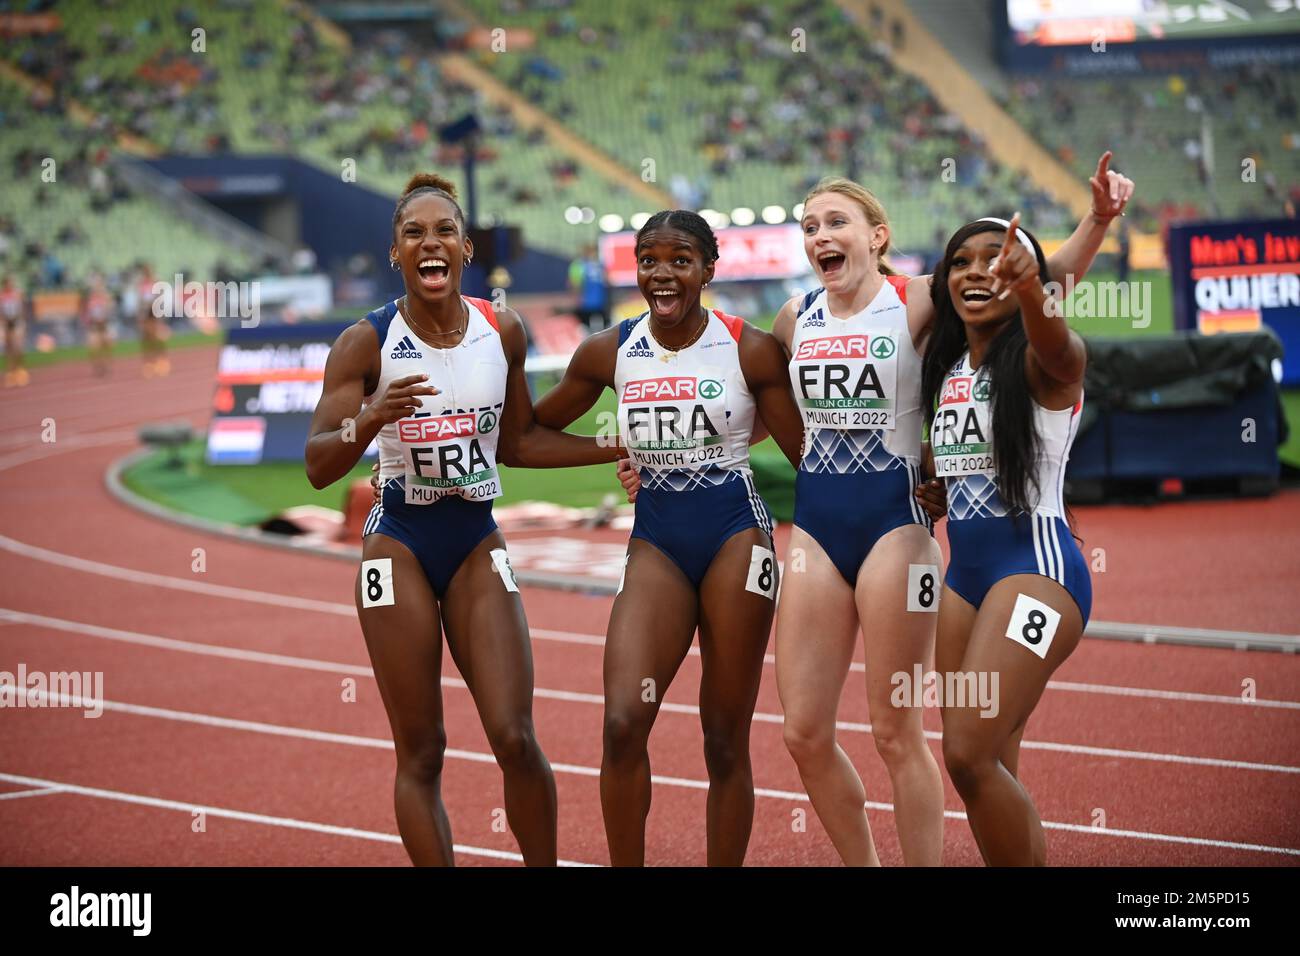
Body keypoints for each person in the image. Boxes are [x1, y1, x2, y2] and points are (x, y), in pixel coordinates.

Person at [620, 156, 1131, 865]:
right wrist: (665, 453)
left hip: (898, 531)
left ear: (877, 236)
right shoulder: (793, 318)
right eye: (809, 226)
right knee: (802, 732)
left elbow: (1031, 287)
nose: (820, 235)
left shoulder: (921, 298)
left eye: (836, 222)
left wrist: (1097, 223)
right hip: (820, 534)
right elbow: (748, 412)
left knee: (902, 734)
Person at [306, 173, 623, 866]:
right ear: (397, 252)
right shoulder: (364, 344)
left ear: (465, 247)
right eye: (414, 233)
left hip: (476, 536)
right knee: (422, 750)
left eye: (443, 231)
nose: (430, 243)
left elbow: (520, 443)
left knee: (514, 735)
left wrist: (618, 443)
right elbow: (319, 465)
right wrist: (369, 419)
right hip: (400, 544)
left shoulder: (501, 329)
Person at [533, 210, 807, 866]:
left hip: (736, 535)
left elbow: (806, 456)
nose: (663, 272)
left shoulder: (751, 347)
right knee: (624, 723)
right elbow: (523, 435)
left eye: (680, 259)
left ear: (708, 271)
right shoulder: (608, 350)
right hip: (656, 537)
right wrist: (612, 445)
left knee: (723, 740)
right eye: (649, 259)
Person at [920, 214, 1091, 866]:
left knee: (965, 753)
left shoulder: (1044, 359)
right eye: (961, 261)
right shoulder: (947, 366)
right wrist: (935, 489)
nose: (974, 271)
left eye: (994, 260)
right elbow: (954, 467)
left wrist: (1032, 291)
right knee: (986, 764)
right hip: (965, 581)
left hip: (1039, 573)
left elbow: (1061, 349)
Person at [135, 262, 168, 377]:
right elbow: (140, 299)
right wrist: (140, 313)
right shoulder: (141, 284)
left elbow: (160, 297)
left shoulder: (156, 282)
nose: (146, 273)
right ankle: (148, 363)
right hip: (145, 313)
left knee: (158, 338)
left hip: (155, 312)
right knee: (146, 339)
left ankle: (161, 361)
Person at [568, 243, 610, 333]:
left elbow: (575, 284)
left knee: (586, 328)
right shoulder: (601, 265)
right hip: (600, 301)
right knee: (602, 327)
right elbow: (607, 281)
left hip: (586, 303)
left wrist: (577, 298)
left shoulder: (579, 265)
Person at [82, 272, 115, 377]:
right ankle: (98, 367)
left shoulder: (106, 296)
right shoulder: (90, 298)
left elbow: (110, 310)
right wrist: (89, 320)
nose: (96, 286)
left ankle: (106, 365)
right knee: (93, 346)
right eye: (94, 284)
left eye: (98, 284)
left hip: (104, 325)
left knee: (107, 345)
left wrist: (105, 314)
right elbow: (87, 312)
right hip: (94, 326)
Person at [1, 274, 29, 388]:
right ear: (5, 284)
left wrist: (20, 320)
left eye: (12, 282)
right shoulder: (1, 296)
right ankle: (10, 373)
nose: (11, 284)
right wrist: (4, 322)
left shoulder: (17, 294)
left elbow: (22, 309)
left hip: (17, 322)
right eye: (9, 282)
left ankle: (20, 371)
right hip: (6, 324)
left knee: (18, 348)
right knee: (9, 349)